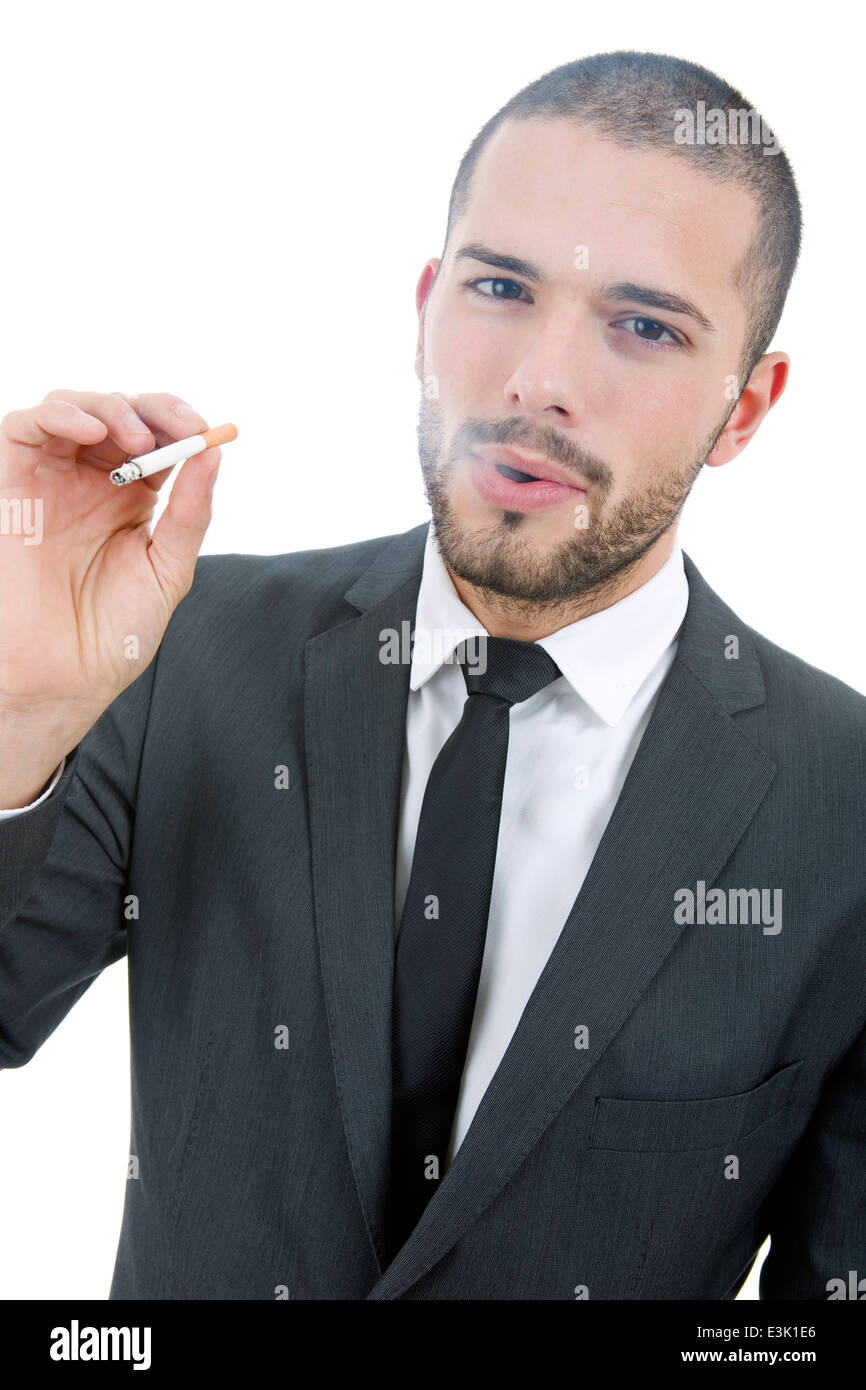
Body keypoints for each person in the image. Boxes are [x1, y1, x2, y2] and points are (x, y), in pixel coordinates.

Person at [0, 50, 863, 1301]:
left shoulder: (839, 808)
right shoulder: (184, 639)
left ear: (744, 408)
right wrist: (19, 709)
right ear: (423, 311)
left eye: (642, 325)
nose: (536, 382)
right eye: (500, 286)